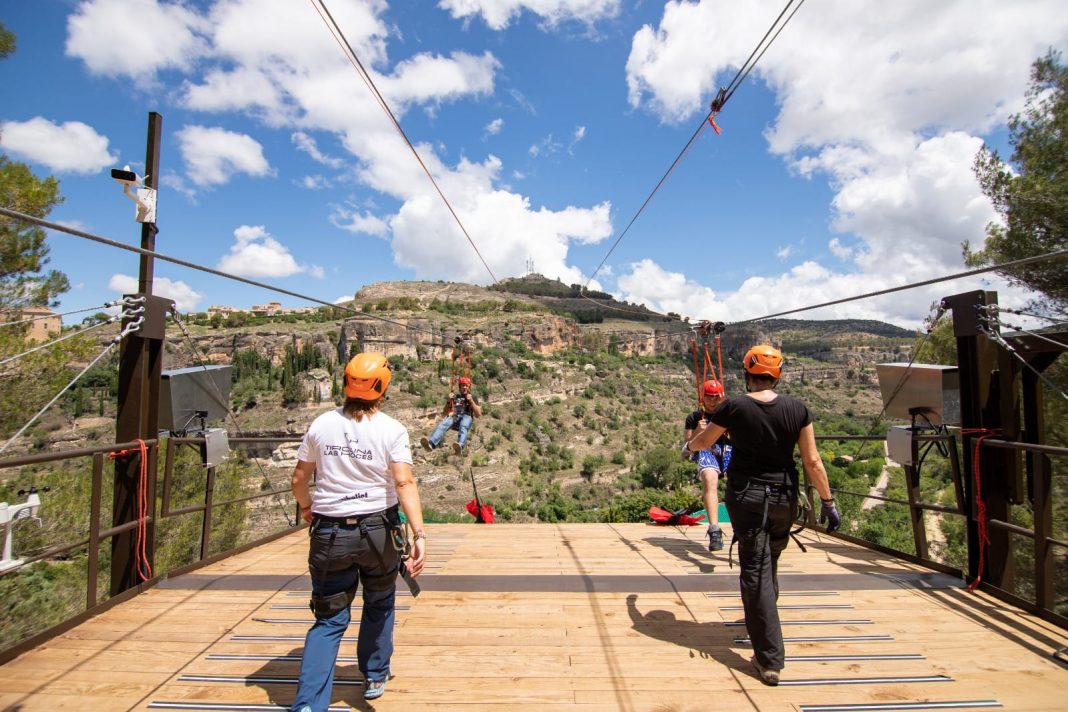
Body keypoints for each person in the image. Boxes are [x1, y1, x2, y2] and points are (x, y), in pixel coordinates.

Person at [685, 344, 840, 687]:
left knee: (754, 570)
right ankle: (762, 620)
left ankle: (769, 659)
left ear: (747, 375)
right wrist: (828, 502)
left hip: (748, 498)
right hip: (785, 499)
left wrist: (690, 445)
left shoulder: (734, 407)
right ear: (778, 375)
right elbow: (813, 461)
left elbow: (703, 443)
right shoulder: (798, 409)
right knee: (769, 562)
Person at [290, 352, 427, 709]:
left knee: (329, 619)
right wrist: (419, 535)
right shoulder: (392, 430)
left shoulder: (321, 425)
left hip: (329, 535)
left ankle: (308, 705)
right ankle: (375, 674)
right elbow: (404, 481)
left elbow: (299, 479)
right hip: (378, 533)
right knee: (379, 602)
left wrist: (307, 508)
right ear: (382, 387)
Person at [683, 379, 731, 551]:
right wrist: (698, 431)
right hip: (705, 449)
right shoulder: (694, 418)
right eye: (709, 397)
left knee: (738, 480)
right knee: (710, 480)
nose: (712, 401)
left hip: (728, 448)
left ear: (721, 398)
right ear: (703, 398)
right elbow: (688, 445)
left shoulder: (728, 414)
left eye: (715, 398)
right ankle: (714, 528)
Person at [421, 375, 482, 455]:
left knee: (464, 424)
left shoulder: (473, 397)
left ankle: (460, 446)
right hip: (455, 416)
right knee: (443, 423)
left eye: (465, 386)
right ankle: (431, 444)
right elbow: (444, 414)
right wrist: (449, 401)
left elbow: (478, 414)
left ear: (468, 387)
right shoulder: (455, 397)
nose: (464, 387)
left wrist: (471, 401)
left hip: (466, 417)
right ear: (459, 387)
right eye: (462, 386)